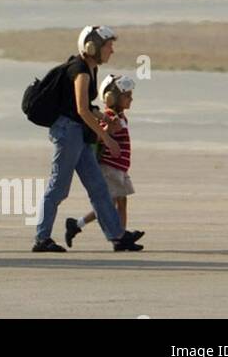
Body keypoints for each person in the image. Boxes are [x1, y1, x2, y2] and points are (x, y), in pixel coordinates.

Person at [32, 25, 145, 252]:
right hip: (68, 133)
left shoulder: (90, 70)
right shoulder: (80, 70)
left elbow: (86, 108)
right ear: (92, 47)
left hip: (79, 133)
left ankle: (117, 236)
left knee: (99, 188)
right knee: (58, 187)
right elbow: (81, 109)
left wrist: (103, 115)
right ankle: (42, 238)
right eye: (108, 46)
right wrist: (107, 137)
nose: (111, 51)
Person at [66, 75, 136, 247]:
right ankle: (119, 238)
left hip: (120, 168)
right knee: (111, 204)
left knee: (118, 203)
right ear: (111, 98)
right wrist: (108, 131)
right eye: (127, 96)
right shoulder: (109, 117)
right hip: (110, 167)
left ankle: (80, 225)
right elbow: (97, 137)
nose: (131, 99)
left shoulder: (122, 117)